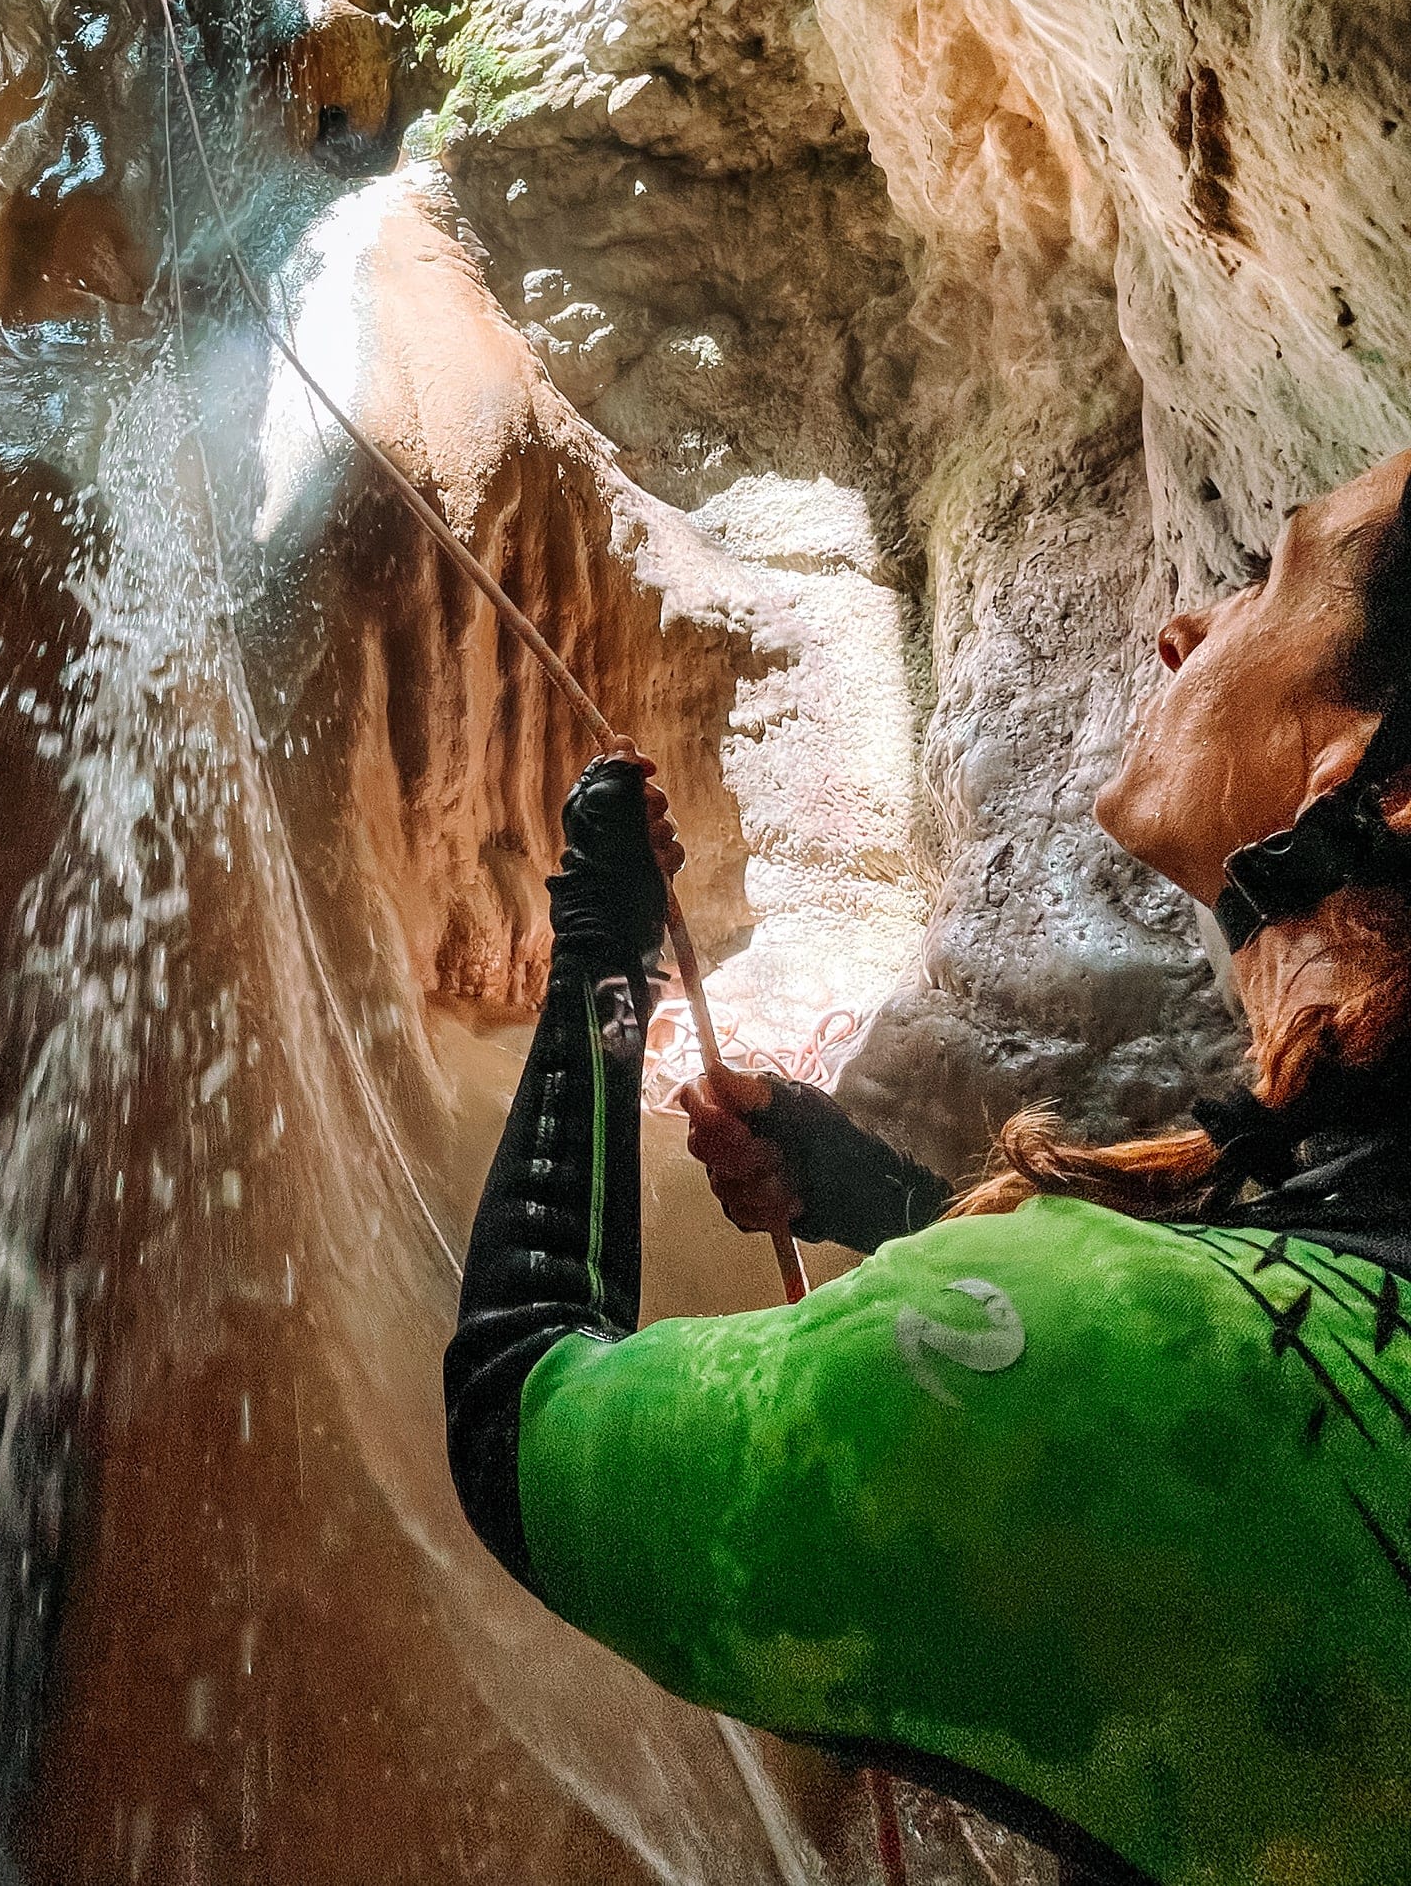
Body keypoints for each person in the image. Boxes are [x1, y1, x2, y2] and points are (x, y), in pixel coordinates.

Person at [446, 451, 1411, 1886]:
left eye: (1268, 577)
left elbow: (519, 1409)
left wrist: (601, 939)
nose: (1182, 627)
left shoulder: (1141, 1363)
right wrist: (860, 1191)